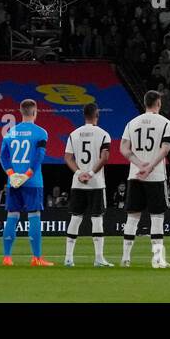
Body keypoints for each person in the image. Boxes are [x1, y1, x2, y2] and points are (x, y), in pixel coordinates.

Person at [119, 90, 170, 268]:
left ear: (145, 103)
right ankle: (157, 260)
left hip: (135, 175)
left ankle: (126, 258)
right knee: (157, 217)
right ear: (158, 103)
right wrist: (149, 167)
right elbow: (165, 149)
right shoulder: (165, 123)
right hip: (155, 176)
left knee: (132, 217)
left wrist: (139, 163)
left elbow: (124, 149)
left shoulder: (131, 123)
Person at [1, 99, 51, 267]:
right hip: (33, 182)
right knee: (34, 216)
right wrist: (27, 174)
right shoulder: (41, 132)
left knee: (12, 216)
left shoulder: (10, 132)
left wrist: (12, 174)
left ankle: (7, 257)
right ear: (35, 112)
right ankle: (36, 258)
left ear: (21, 112)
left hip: (13, 182)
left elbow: (3, 157)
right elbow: (39, 156)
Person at [62, 100, 111, 267]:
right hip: (96, 183)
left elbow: (68, 157)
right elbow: (104, 158)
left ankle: (68, 258)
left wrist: (79, 173)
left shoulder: (73, 134)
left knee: (75, 218)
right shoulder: (103, 134)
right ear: (97, 115)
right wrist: (90, 173)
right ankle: (98, 258)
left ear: (84, 115)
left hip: (78, 183)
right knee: (97, 219)